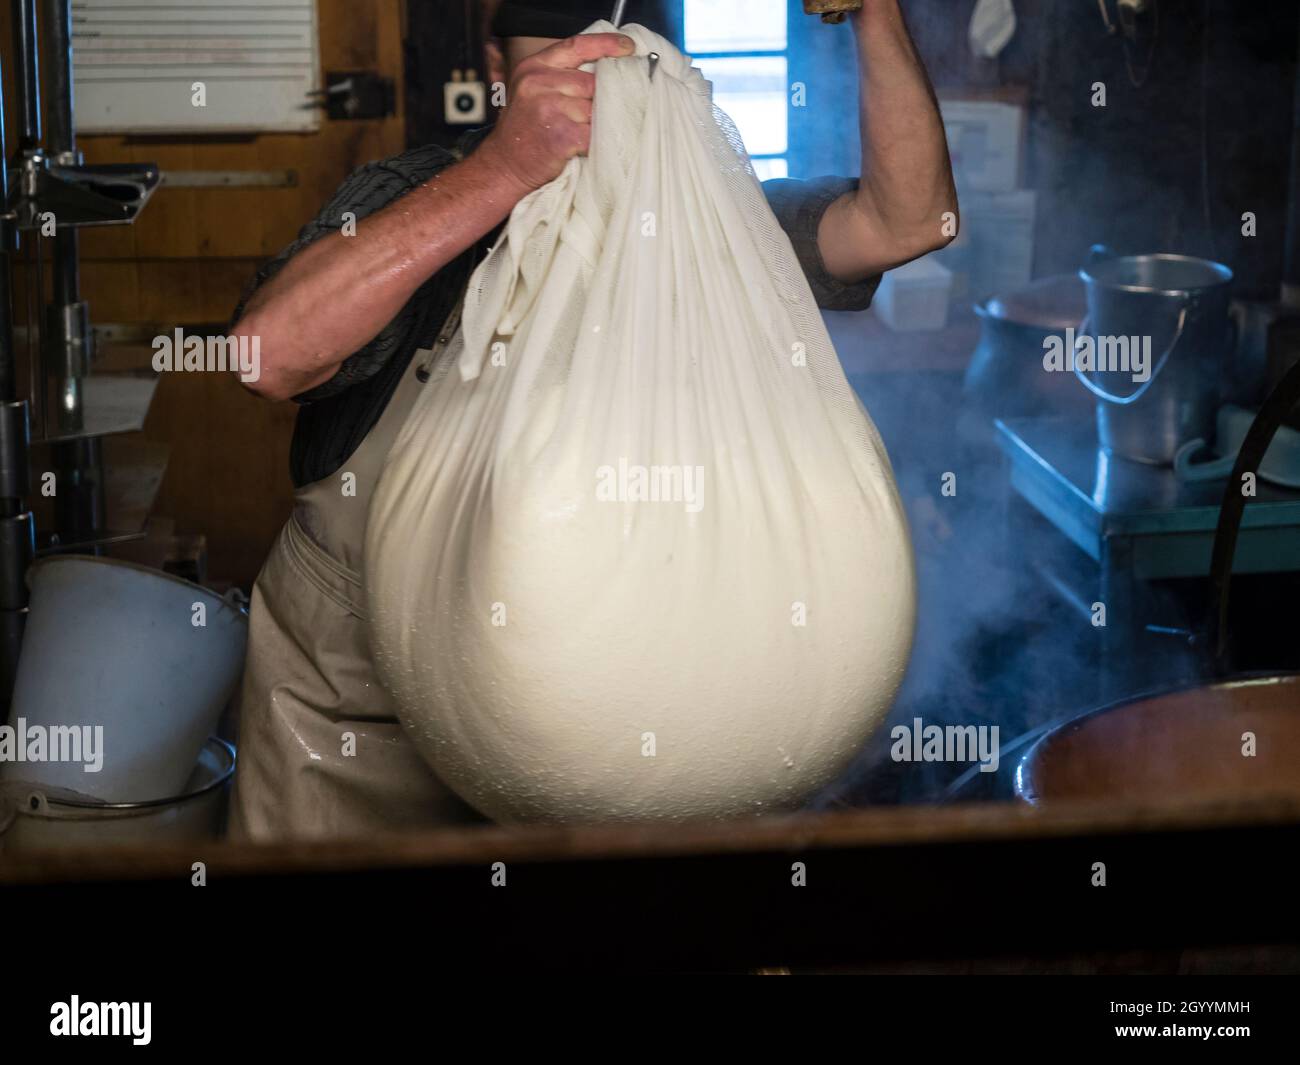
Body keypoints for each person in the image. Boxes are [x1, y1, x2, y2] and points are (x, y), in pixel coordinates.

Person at [227, 0, 957, 840]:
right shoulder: (407, 194)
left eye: (624, 69)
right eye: (563, 74)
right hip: (359, 729)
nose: (593, 98)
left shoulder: (715, 235)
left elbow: (913, 222)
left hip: (602, 733)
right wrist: (507, 170)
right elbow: (266, 357)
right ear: (500, 77)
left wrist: (876, 17)